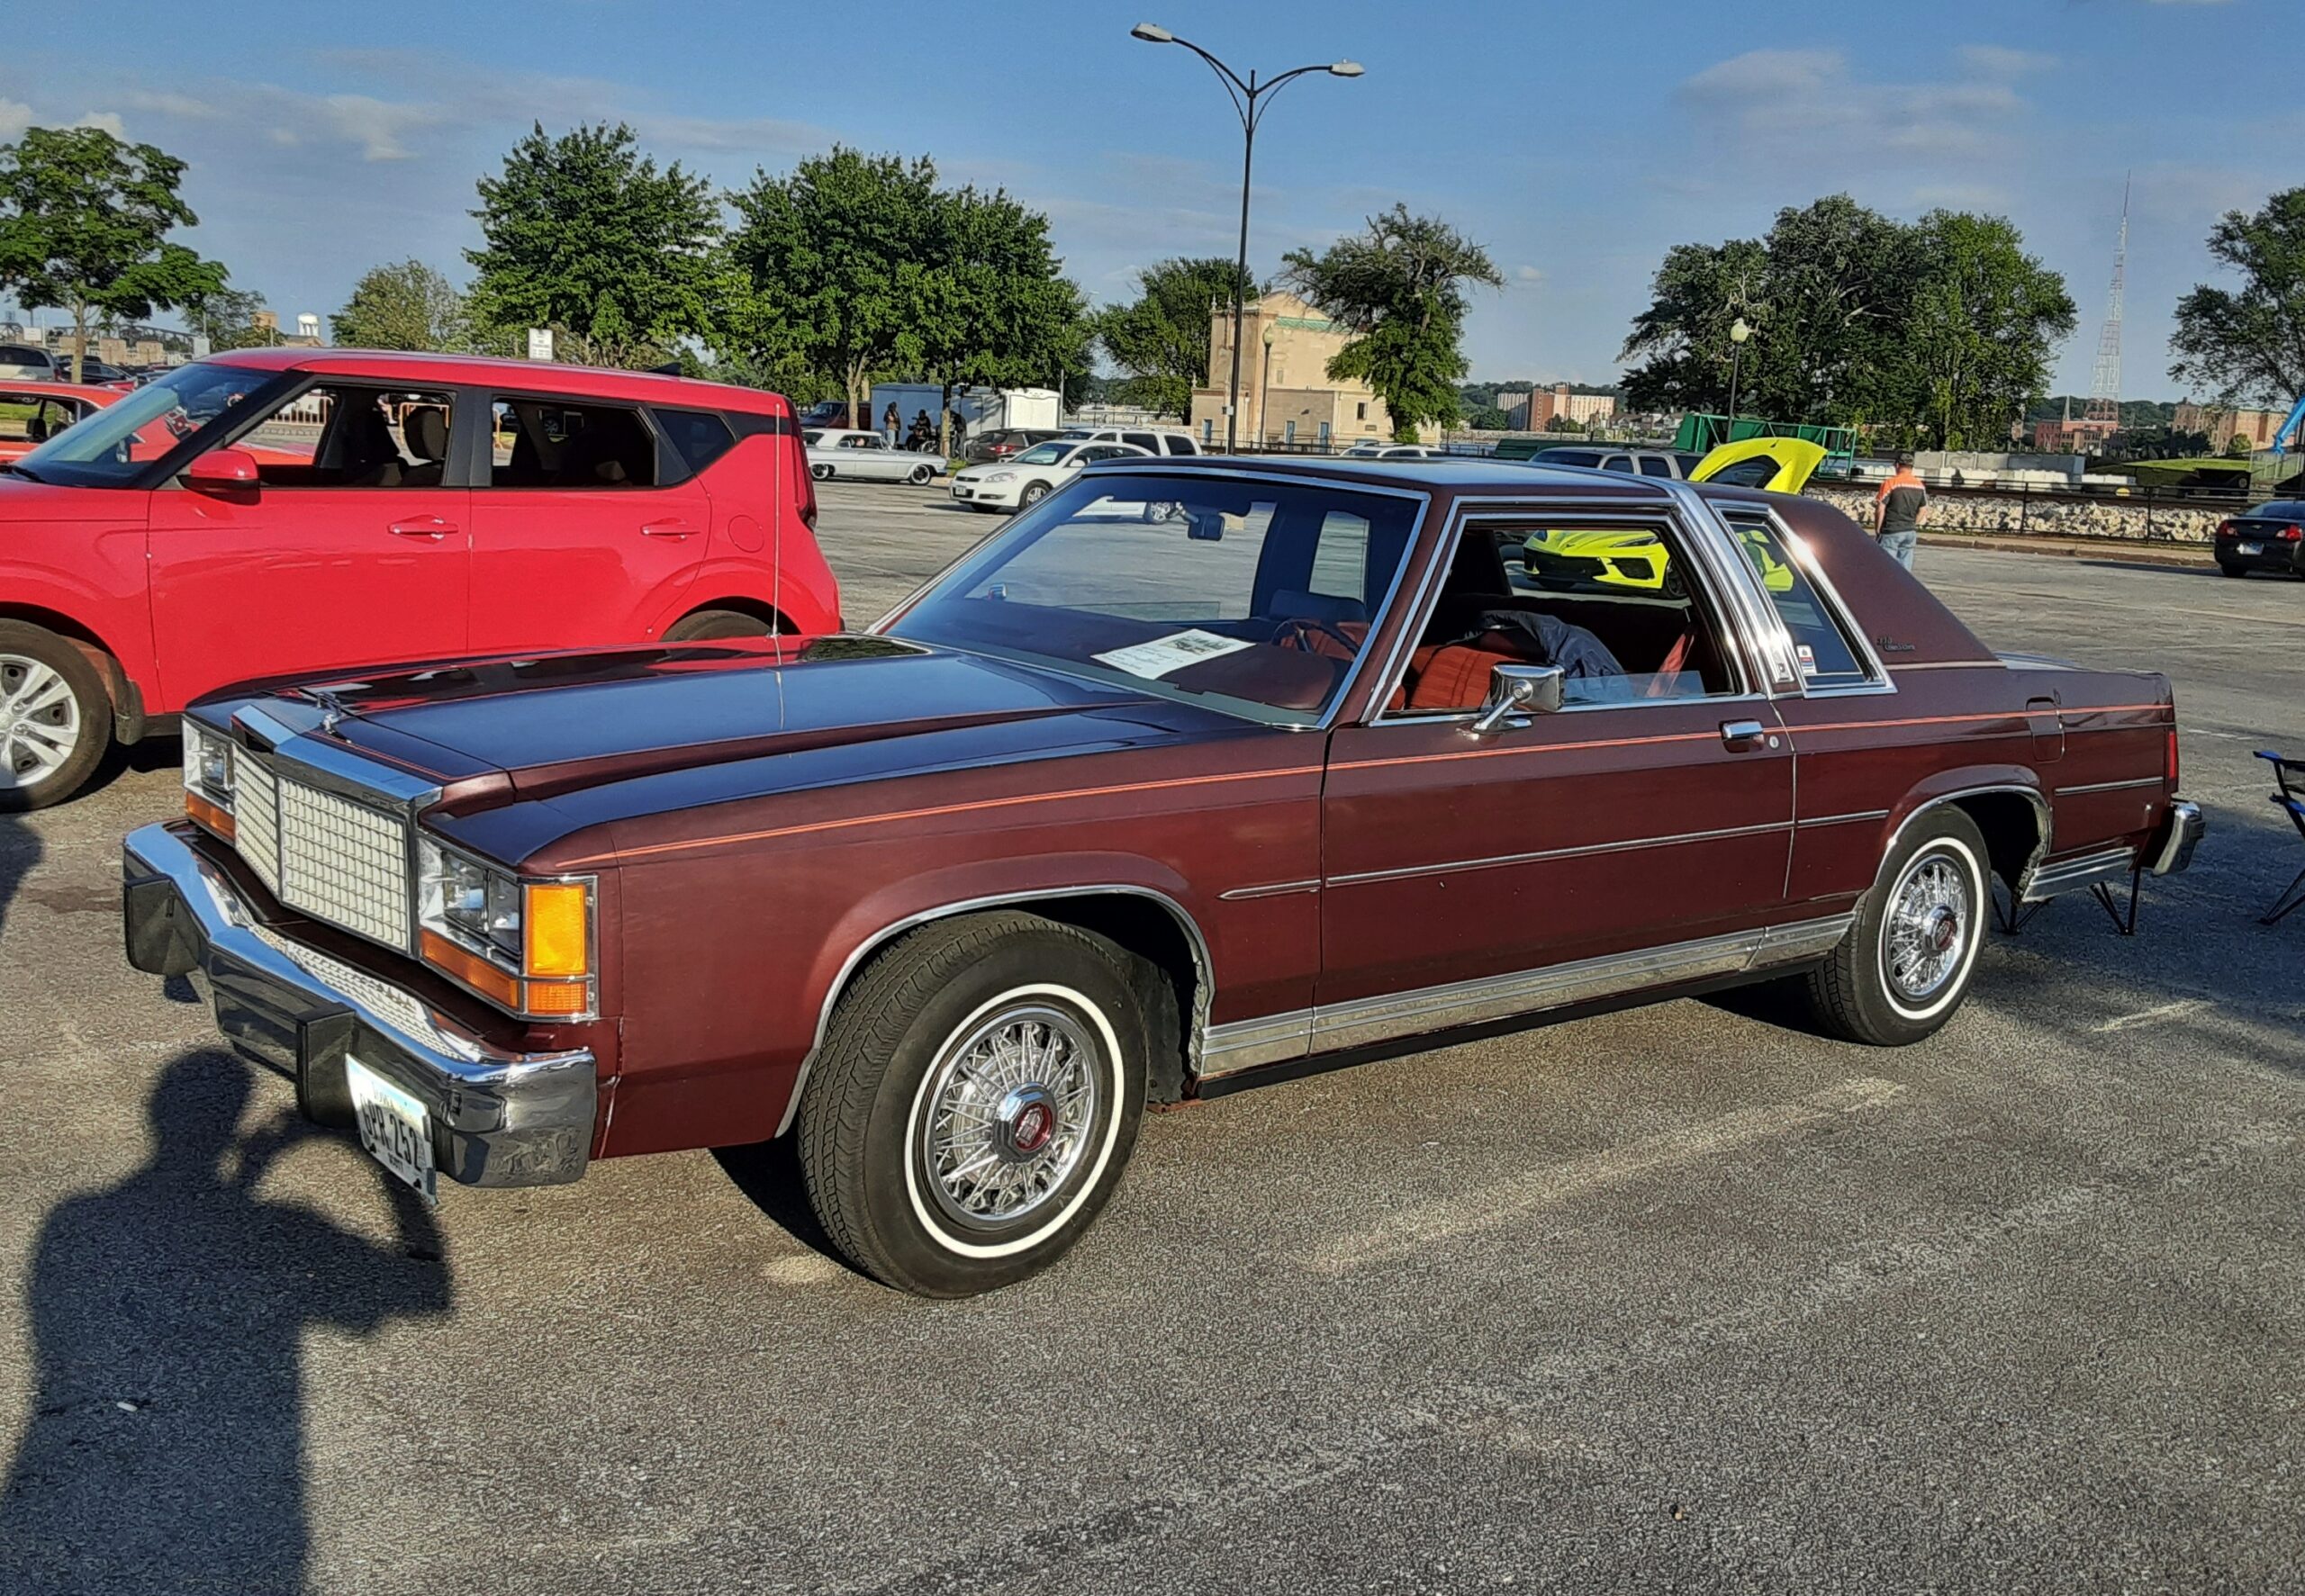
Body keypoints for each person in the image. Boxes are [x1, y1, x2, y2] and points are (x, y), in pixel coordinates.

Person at [1874, 452, 1929, 571]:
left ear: (1897, 465)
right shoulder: (1919, 485)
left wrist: (1878, 529)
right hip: (1910, 531)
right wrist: (1913, 523)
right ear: (1911, 467)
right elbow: (1923, 509)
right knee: (1905, 570)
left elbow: (1880, 508)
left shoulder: (1890, 483)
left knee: (1887, 568)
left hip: (1891, 530)